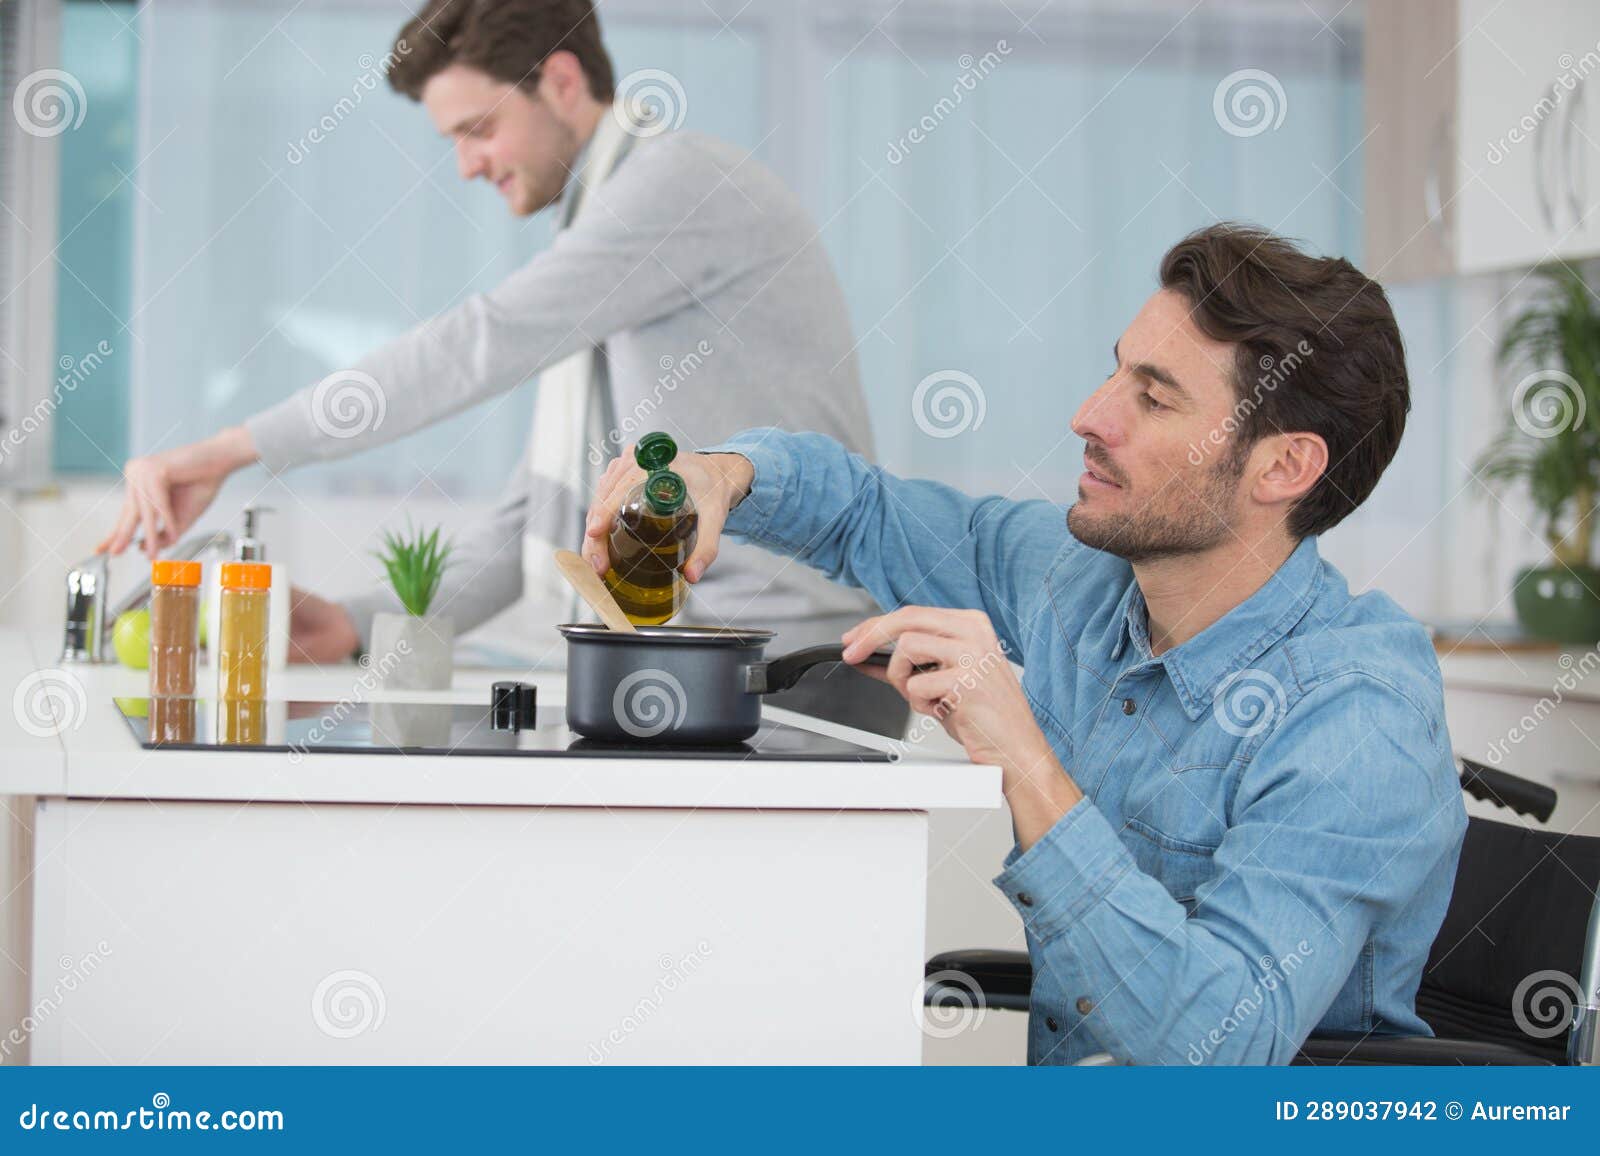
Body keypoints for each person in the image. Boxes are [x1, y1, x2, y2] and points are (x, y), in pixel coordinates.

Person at [582, 223, 1470, 1065]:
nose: (1090, 416)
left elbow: (1212, 1050)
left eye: (1154, 397)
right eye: (1116, 374)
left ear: (1283, 468)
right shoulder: (1077, 579)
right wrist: (722, 474)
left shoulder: (1358, 717)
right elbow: (863, 510)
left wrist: (1027, 765)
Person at [95, 0, 905, 736]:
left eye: (478, 128)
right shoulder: (608, 233)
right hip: (708, 667)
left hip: (798, 676)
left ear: (559, 81)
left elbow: (480, 343)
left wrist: (230, 450)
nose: (466, 165)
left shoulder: (681, 184)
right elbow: (534, 517)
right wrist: (356, 621)